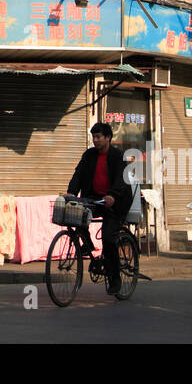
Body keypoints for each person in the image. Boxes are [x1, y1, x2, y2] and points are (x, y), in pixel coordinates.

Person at [67, 122, 134, 294]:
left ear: (108, 138)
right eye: (93, 137)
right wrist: (71, 192)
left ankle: (114, 277)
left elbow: (121, 179)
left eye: (98, 137)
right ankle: (88, 247)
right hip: (95, 199)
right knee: (77, 216)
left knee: (108, 237)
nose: (95, 140)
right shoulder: (89, 155)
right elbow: (78, 174)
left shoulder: (118, 156)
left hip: (116, 202)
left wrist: (112, 195)